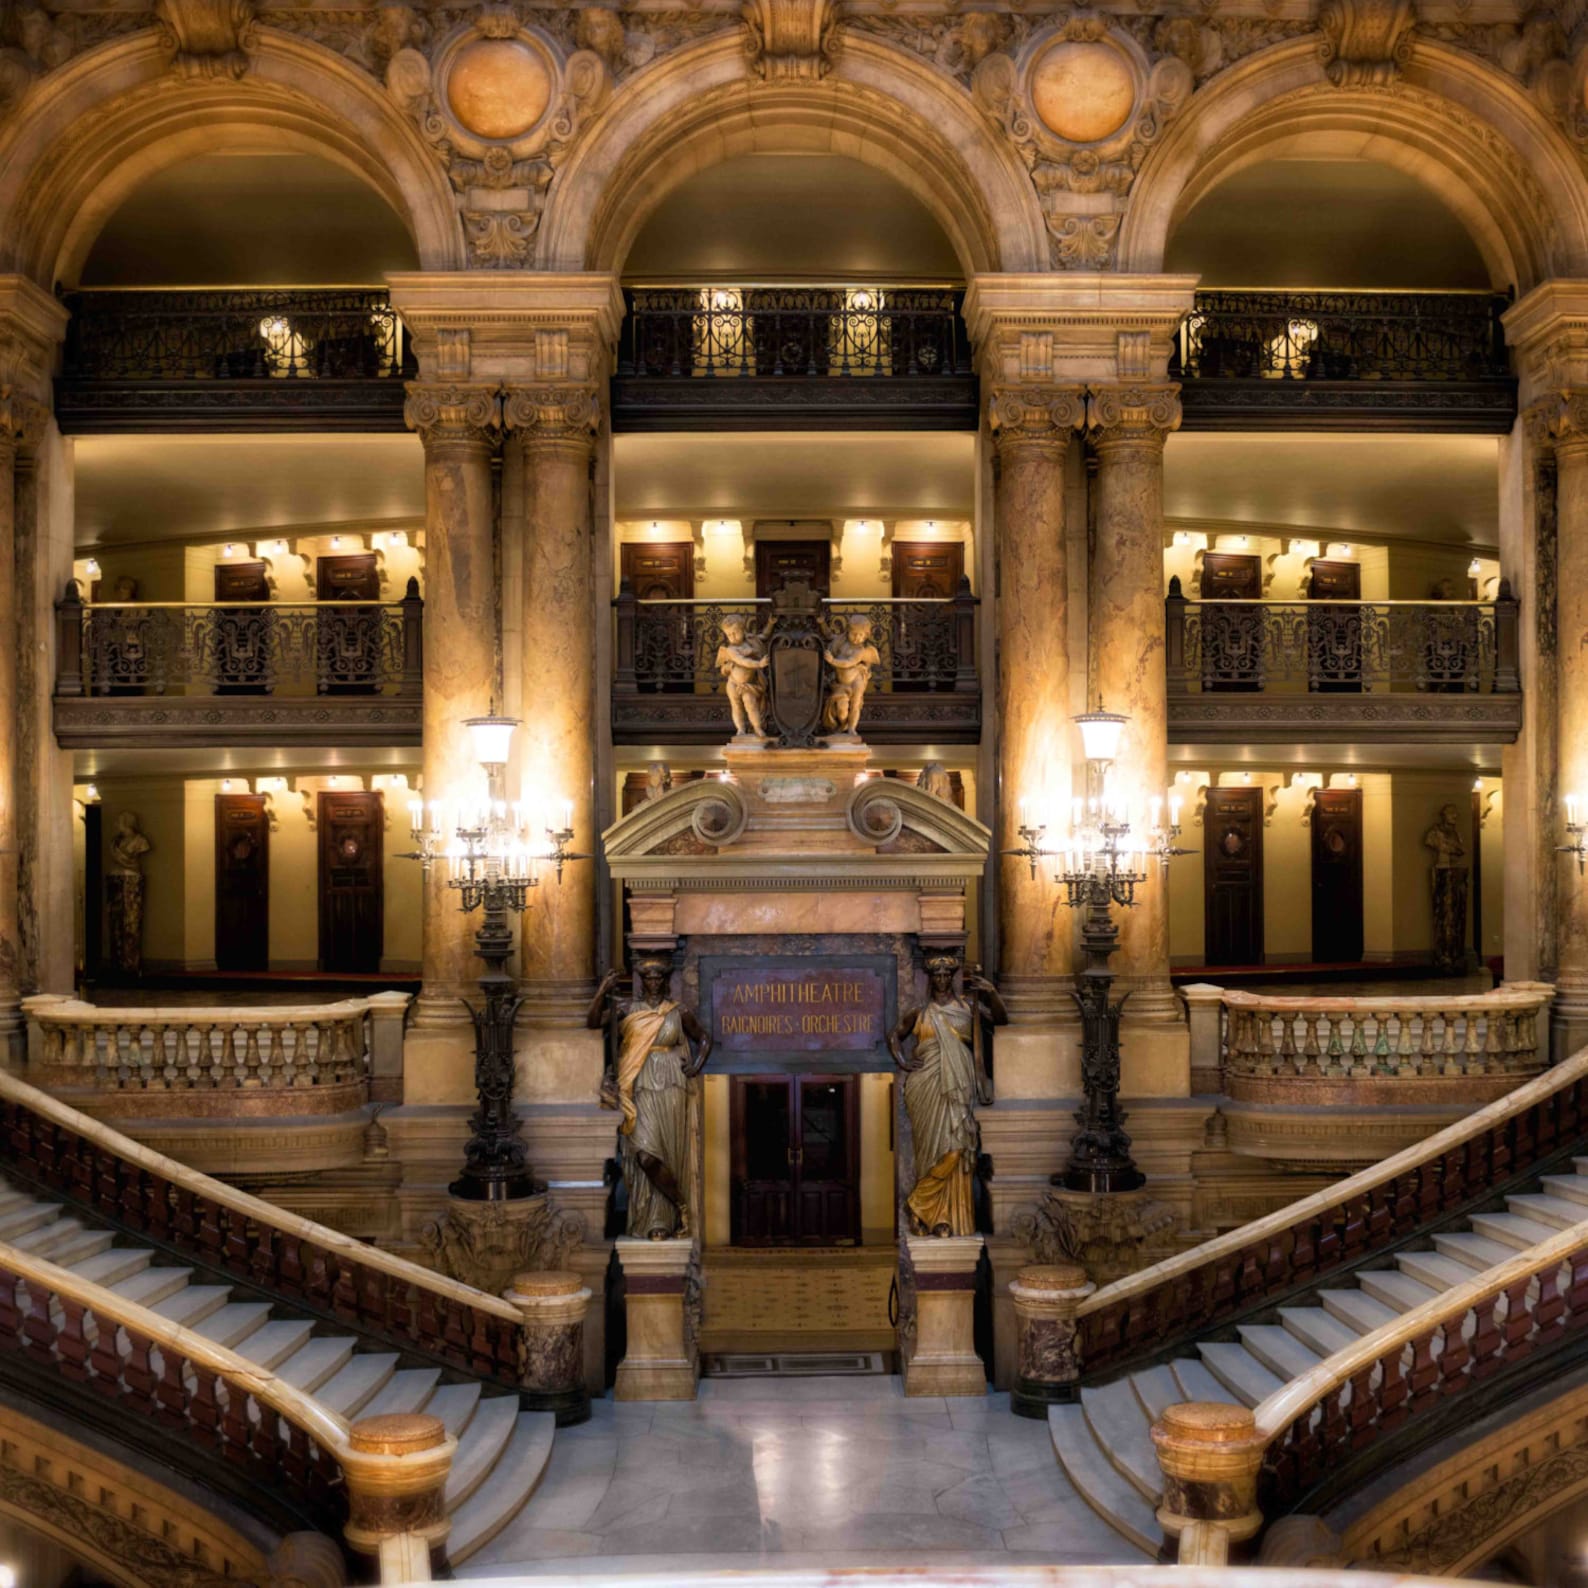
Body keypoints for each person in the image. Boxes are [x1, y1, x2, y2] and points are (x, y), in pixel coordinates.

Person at [588, 956, 712, 1239]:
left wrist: (696, 1066)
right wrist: (601, 992)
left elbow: (704, 1038)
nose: (654, 983)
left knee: (669, 1152)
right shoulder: (626, 1008)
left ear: (666, 981)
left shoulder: (677, 1012)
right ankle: (678, 1204)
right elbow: (594, 1022)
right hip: (638, 1084)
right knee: (645, 1155)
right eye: (648, 978)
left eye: (659, 978)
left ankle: (663, 1222)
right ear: (641, 981)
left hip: (671, 1086)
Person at [887, 954, 1008, 1237]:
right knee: (929, 1151)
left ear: (951, 977)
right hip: (926, 1086)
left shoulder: (968, 1007)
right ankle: (937, 1217)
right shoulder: (920, 1011)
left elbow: (1001, 1020)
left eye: (945, 975)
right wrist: (903, 1063)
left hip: (959, 1086)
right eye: (937, 976)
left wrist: (991, 994)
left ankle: (920, 1203)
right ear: (931, 979)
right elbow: (895, 1035)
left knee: (956, 1147)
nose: (941, 980)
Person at [822, 615, 881, 736]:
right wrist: (821, 622)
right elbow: (828, 635)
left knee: (855, 704)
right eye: (853, 634)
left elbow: (848, 663)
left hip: (856, 681)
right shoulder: (841, 641)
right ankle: (843, 725)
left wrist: (832, 661)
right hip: (840, 684)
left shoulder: (860, 651)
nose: (856, 638)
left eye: (860, 635)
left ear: (865, 636)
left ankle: (852, 729)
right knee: (842, 711)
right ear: (848, 631)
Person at [715, 615, 771, 739]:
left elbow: (763, 637)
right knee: (736, 706)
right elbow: (743, 662)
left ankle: (757, 727)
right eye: (729, 635)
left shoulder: (751, 641)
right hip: (733, 684)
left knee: (750, 704)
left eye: (735, 633)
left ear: (743, 630)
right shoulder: (731, 650)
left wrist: (771, 624)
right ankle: (740, 729)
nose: (732, 637)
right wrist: (759, 664)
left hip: (749, 684)